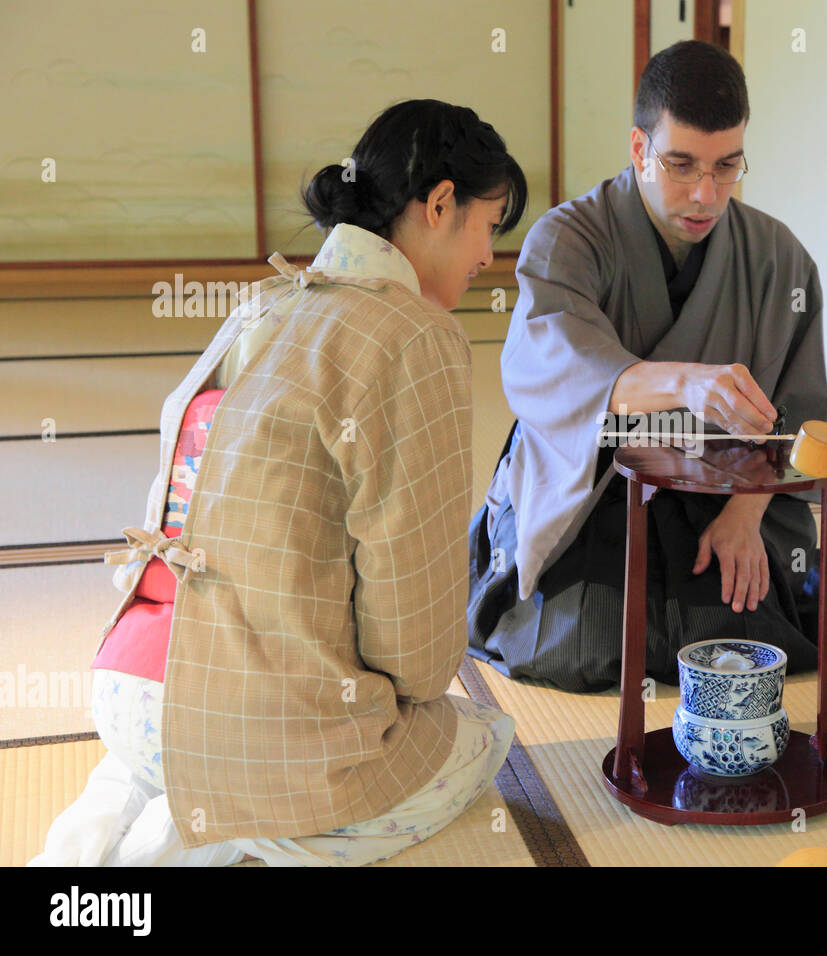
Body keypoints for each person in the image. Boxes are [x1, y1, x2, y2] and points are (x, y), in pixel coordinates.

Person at [30, 99, 527, 867]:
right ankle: (216, 829)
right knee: (484, 738)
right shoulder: (414, 336)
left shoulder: (263, 302)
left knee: (152, 756)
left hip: (127, 687)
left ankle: (105, 840)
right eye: (488, 225)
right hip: (247, 729)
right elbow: (418, 655)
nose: (489, 257)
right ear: (438, 205)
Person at [467, 42, 827, 693]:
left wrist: (747, 512)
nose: (704, 193)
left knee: (744, 643)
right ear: (639, 149)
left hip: (725, 492)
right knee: (582, 648)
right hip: (596, 485)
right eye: (680, 165)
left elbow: (804, 426)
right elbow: (552, 369)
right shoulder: (568, 240)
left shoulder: (777, 258)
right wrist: (685, 381)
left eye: (727, 167)